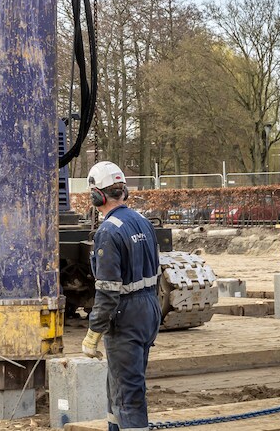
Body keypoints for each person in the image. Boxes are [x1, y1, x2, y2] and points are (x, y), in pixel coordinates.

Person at [81, 161, 162, 431]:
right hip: (149, 311)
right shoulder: (143, 222)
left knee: (128, 395)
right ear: (123, 191)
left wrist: (94, 332)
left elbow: (107, 292)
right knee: (118, 386)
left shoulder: (108, 232)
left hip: (126, 317)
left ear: (97, 196)